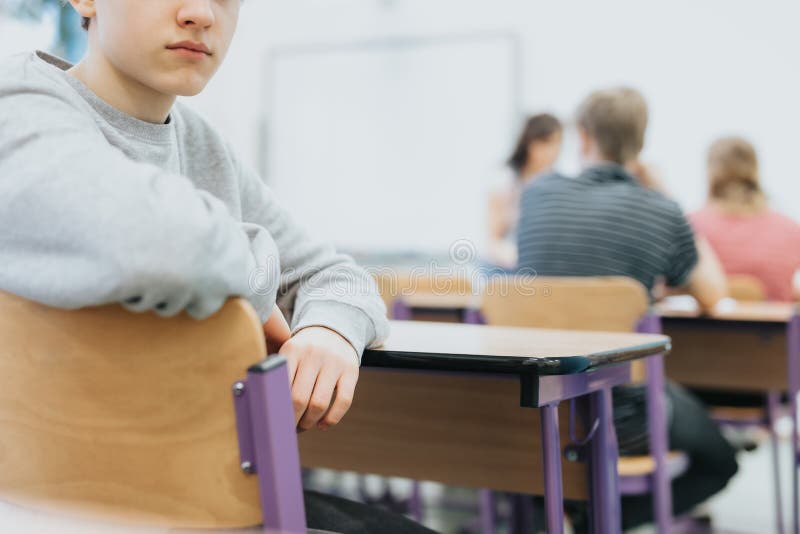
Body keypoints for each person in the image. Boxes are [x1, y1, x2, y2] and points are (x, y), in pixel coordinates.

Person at [0, 1, 433, 532]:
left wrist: (329, 329)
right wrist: (258, 279)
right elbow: (160, 245)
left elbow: (338, 276)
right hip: (47, 511)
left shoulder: (203, 146)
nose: (202, 14)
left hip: (209, 501)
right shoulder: (19, 101)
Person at [516, 87, 738, 529]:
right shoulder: (660, 208)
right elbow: (714, 293)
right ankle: (608, 518)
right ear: (640, 146)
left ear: (581, 137)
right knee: (721, 462)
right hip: (625, 417)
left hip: (538, 412)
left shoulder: (537, 196)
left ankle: (574, 512)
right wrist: (666, 194)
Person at [690, 136, 800, 302]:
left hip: (696, 327)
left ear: (710, 173)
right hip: (775, 326)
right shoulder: (791, 230)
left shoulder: (690, 226)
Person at [486, 113, 562, 268]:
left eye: (558, 143)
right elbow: (493, 240)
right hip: (506, 263)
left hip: (541, 262)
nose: (555, 151)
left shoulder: (557, 181)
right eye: (548, 143)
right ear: (531, 144)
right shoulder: (505, 178)